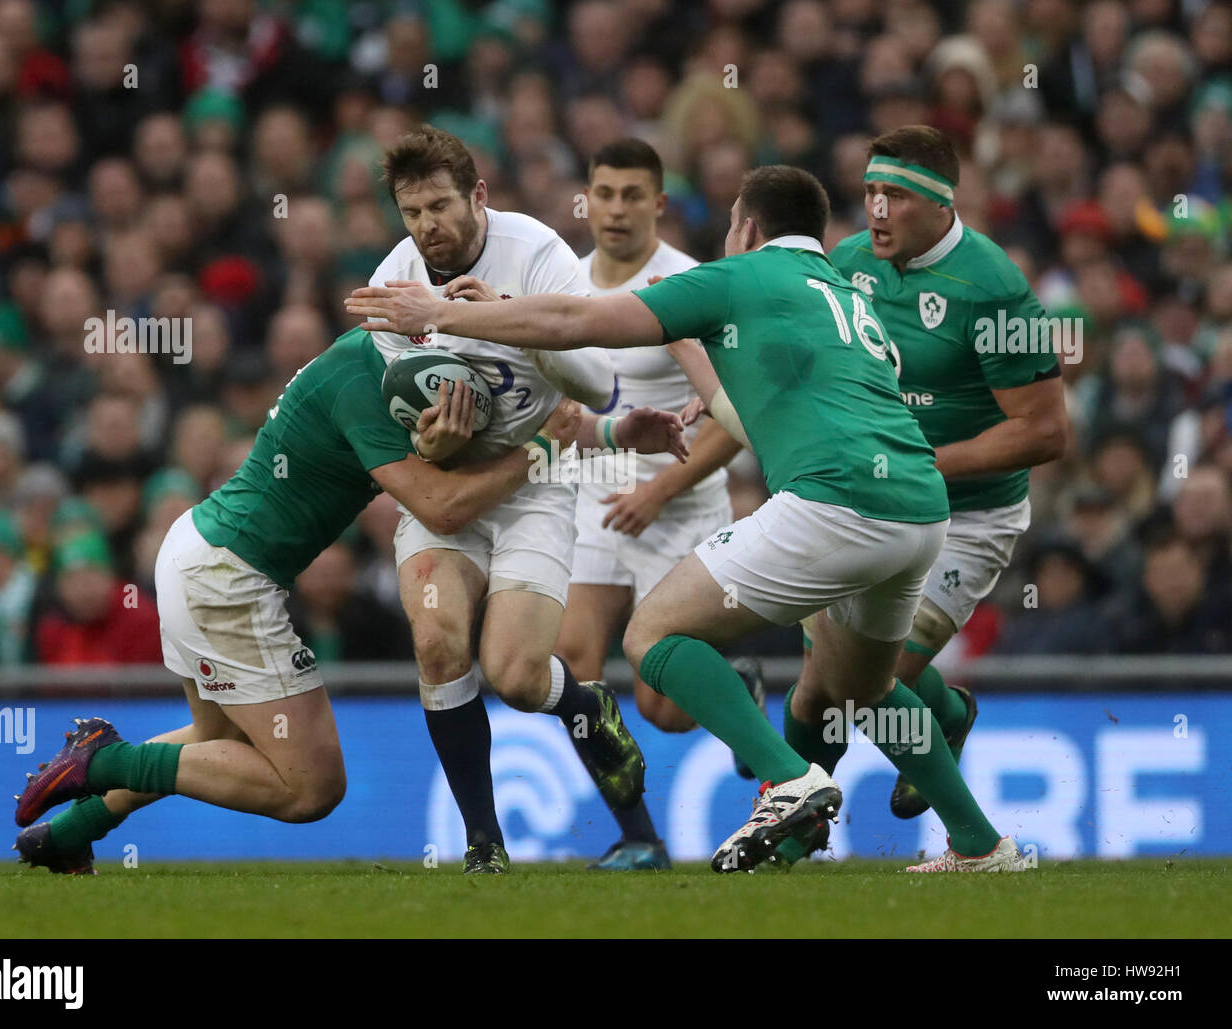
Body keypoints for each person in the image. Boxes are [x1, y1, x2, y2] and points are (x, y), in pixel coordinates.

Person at [348, 164, 1028, 873]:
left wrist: (443, 314)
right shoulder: (846, 296)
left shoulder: (735, 278)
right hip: (921, 510)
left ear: (747, 228)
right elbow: (748, 417)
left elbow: (577, 321)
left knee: (654, 633)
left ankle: (789, 779)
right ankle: (982, 844)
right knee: (865, 686)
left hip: (836, 502)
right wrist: (692, 357)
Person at [12, 325, 684, 875]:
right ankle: (100, 759)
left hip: (199, 554)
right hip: (228, 583)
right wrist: (542, 445)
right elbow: (441, 506)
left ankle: (70, 829)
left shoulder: (370, 359)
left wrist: (616, 435)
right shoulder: (367, 388)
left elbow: (472, 451)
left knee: (217, 742)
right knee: (311, 787)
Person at [364, 126, 682, 873]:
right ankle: (484, 843)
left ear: (478, 195)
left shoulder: (537, 252)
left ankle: (583, 704)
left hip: (538, 478)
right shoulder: (393, 285)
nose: (427, 226)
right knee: (438, 638)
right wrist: (438, 440)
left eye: (440, 205)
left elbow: (597, 380)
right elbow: (418, 444)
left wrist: (502, 313)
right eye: (412, 212)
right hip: (454, 485)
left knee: (515, 674)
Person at [805, 125, 1069, 829]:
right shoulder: (850, 260)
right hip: (872, 504)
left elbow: (1046, 430)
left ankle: (956, 830)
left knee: (866, 682)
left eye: (895, 195)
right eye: (868, 193)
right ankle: (943, 717)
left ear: (941, 203)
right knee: (833, 680)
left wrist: (918, 463)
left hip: (969, 517)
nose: (877, 211)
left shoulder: (996, 287)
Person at [557, 139, 751, 871]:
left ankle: (739, 689)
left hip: (680, 503)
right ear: (587, 197)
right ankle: (639, 833)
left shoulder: (688, 285)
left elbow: (738, 417)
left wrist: (658, 487)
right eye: (604, 192)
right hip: (593, 499)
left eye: (632, 194)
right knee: (570, 666)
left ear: (659, 204)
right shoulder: (567, 284)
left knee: (663, 707)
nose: (615, 208)